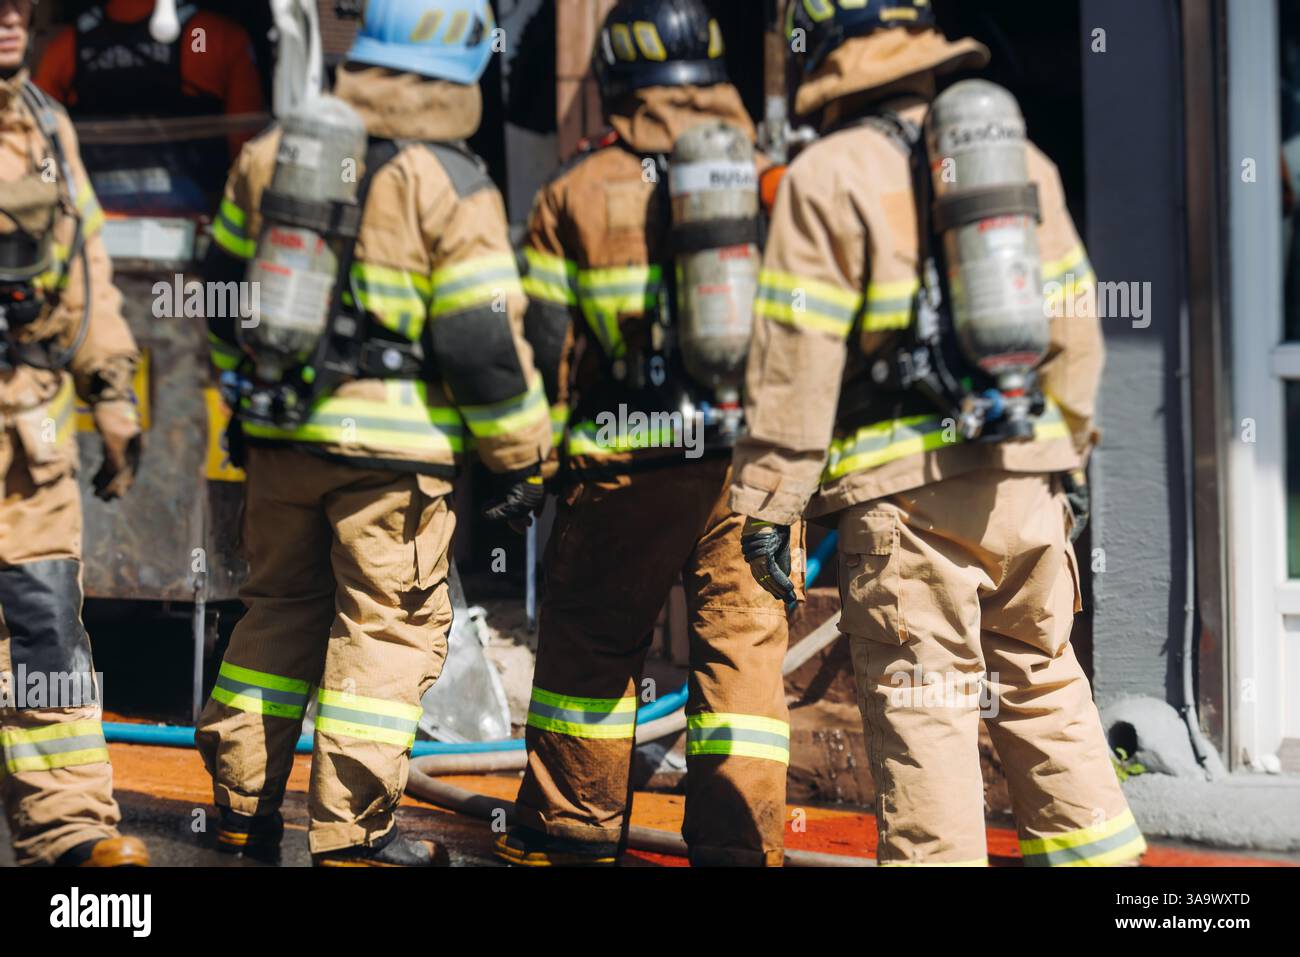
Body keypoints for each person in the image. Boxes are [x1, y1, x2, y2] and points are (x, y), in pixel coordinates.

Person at [730, 0, 1146, 867]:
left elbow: (796, 363)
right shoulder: (1020, 156)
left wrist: (770, 501)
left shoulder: (828, 174)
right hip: (1024, 484)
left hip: (906, 497)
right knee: (1045, 685)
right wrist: (1056, 462)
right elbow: (1076, 325)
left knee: (929, 712)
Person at [194, 0, 551, 867]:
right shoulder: (452, 181)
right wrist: (519, 459)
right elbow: (481, 340)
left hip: (282, 439)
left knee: (275, 613)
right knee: (384, 631)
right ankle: (351, 836)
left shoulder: (274, 153)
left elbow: (218, 295)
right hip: (393, 463)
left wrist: (245, 400)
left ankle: (241, 811)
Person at [494, 0, 798, 868]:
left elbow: (546, 346)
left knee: (591, 645)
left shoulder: (577, 190)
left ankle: (571, 832)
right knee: (743, 656)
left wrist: (531, 461)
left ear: (617, 77)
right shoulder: (768, 181)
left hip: (624, 460)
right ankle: (740, 846)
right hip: (749, 462)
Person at [0, 0, 146, 867]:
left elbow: (88, 263)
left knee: (46, 628)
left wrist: (112, 395)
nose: (8, 21)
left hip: (30, 434)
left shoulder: (49, 128)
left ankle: (70, 830)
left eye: (18, 5)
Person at [34, 0, 266, 214]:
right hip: (195, 216)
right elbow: (246, 147)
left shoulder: (66, 45)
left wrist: (49, 197)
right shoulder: (212, 36)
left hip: (94, 216)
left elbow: (39, 140)